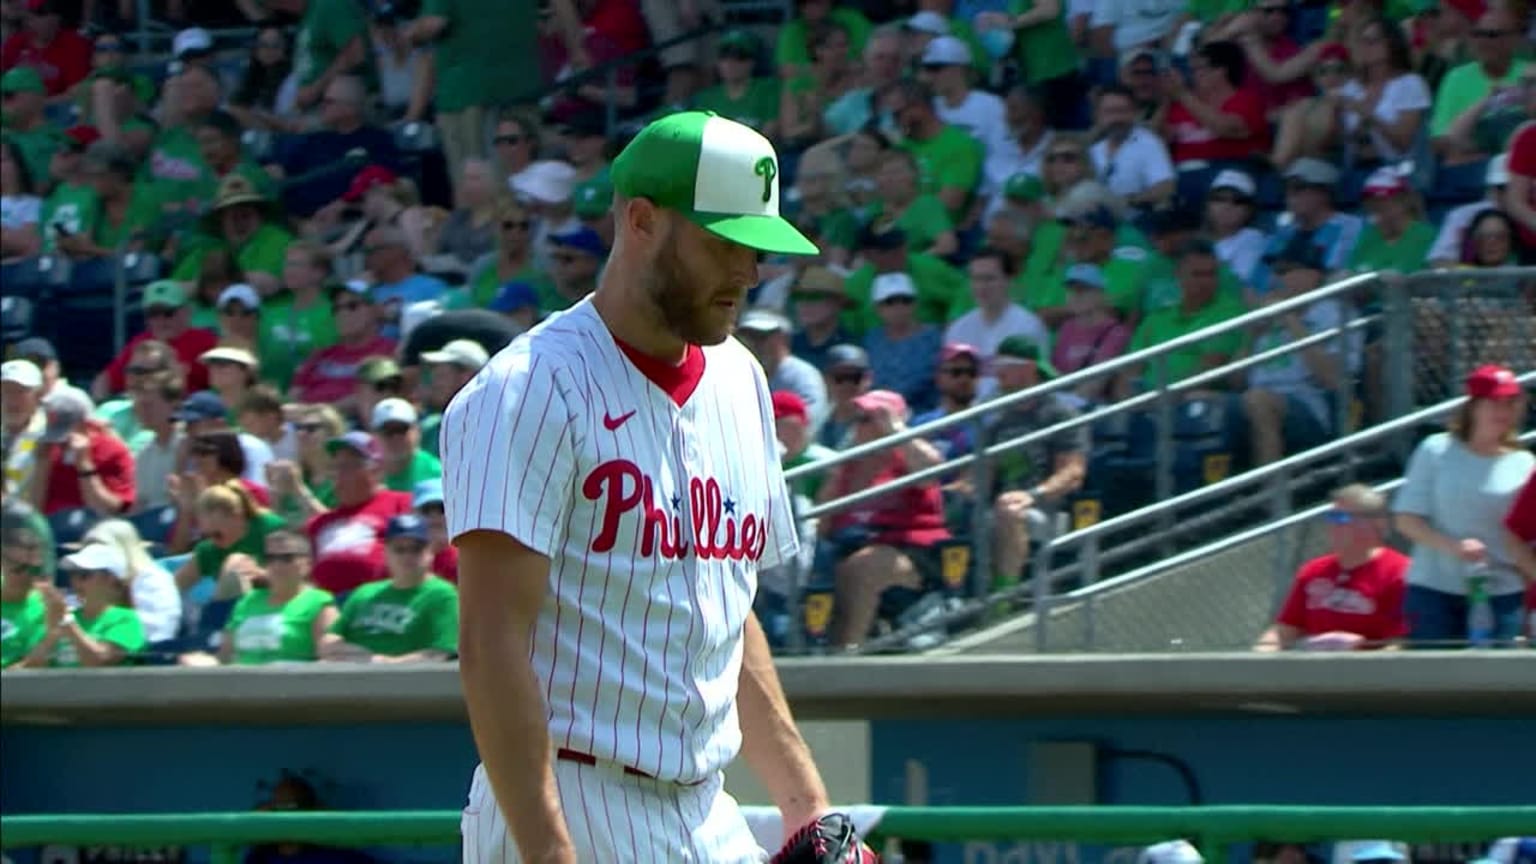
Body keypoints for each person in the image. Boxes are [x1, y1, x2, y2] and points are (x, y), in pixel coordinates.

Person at [442, 111, 835, 862]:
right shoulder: (528, 390)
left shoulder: (741, 379)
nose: (748, 272)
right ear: (643, 221)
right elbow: (492, 645)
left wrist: (807, 807)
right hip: (572, 793)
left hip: (706, 803)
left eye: (758, 249)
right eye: (726, 243)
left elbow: (723, 608)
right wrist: (549, 853)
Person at [1392, 365, 1533, 646]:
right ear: (1472, 406)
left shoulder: (1524, 463)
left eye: (1510, 403)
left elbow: (1525, 533)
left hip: (1501, 590)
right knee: (1431, 678)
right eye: (1493, 402)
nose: (1502, 411)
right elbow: (1406, 520)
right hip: (1434, 587)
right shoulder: (1435, 450)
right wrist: (1453, 547)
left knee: (1499, 680)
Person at [1255, 484, 1409, 652]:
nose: (1332, 525)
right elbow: (1284, 631)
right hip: (1315, 671)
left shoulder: (1400, 573)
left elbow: (1399, 644)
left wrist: (1361, 655)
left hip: (1367, 674)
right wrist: (1258, 656)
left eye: (1341, 518)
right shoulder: (1313, 571)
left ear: (1376, 523)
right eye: (1330, 517)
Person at [320, 513, 459, 663]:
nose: (408, 556)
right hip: (352, 675)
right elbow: (329, 641)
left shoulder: (442, 595)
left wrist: (384, 663)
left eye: (416, 549)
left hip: (407, 681)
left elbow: (441, 653)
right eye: (399, 549)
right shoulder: (364, 593)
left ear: (430, 552)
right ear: (386, 552)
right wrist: (359, 657)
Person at [22, 543, 146, 668]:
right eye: (73, 574)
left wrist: (66, 621)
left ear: (110, 578)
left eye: (84, 575)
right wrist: (52, 634)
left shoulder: (127, 619)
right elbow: (31, 668)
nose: (75, 582)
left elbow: (99, 662)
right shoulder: (66, 617)